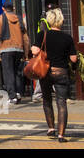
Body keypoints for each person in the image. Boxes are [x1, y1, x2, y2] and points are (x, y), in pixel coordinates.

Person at [32, 8, 79, 142]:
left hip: (45, 72)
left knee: (47, 99)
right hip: (61, 72)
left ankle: (51, 128)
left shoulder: (43, 34)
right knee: (61, 102)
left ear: (49, 21)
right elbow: (74, 58)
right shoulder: (67, 37)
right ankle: (61, 135)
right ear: (61, 21)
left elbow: (35, 51)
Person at [0, 4, 26, 104]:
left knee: (8, 73)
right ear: (13, 8)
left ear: (3, 9)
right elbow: (25, 37)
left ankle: (12, 96)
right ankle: (18, 92)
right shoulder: (19, 18)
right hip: (19, 49)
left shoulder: (0, 19)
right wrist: (26, 51)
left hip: (6, 49)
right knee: (17, 72)